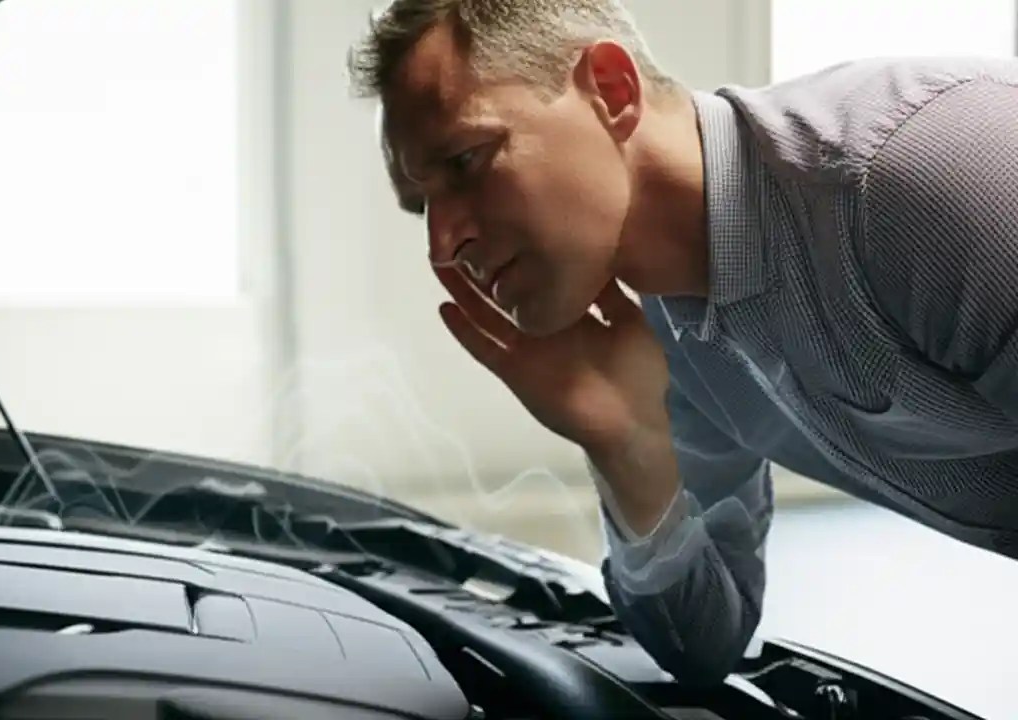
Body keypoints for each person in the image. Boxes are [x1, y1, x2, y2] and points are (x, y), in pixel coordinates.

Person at [346, 0, 1018, 685]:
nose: (443, 242)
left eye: (465, 160)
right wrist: (627, 447)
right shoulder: (675, 332)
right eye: (420, 204)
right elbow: (703, 647)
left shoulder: (923, 173)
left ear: (611, 90)